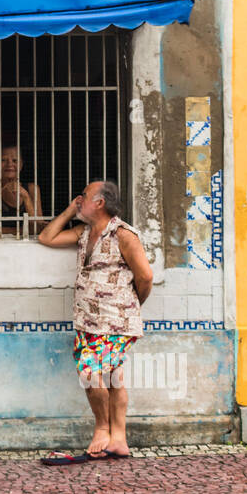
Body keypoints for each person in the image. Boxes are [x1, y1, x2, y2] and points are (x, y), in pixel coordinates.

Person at [35, 180, 153, 464]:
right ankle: (119, 440)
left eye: (84, 196)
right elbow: (47, 237)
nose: (80, 199)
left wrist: (130, 305)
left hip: (115, 321)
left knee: (90, 372)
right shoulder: (84, 233)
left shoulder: (124, 235)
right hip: (87, 321)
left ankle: (103, 429)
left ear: (100, 203)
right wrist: (69, 210)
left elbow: (145, 277)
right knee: (111, 376)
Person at [0, 143, 44, 236]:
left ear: (21, 164)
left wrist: (26, 197)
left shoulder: (32, 188)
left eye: (15, 160)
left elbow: (39, 228)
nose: (9, 164)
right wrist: (24, 231)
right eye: (3, 160)